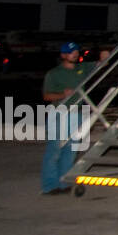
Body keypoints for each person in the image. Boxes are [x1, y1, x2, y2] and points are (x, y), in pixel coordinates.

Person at [40, 41, 95, 195]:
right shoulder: (54, 73)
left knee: (71, 150)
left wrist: (105, 56)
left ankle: (65, 183)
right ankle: (49, 185)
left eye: (76, 51)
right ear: (63, 55)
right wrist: (62, 95)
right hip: (59, 113)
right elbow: (46, 96)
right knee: (55, 150)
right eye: (71, 52)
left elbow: (101, 64)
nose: (75, 54)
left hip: (76, 113)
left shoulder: (82, 69)